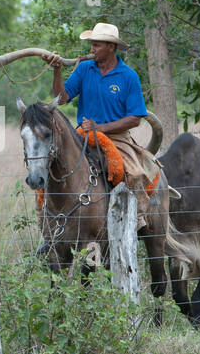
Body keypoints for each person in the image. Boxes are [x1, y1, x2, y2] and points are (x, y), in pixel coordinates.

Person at [41, 22, 160, 225]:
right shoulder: (85, 69)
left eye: (96, 45)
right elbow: (61, 98)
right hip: (83, 136)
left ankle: (137, 218)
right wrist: (57, 71)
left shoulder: (128, 76)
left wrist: (100, 128)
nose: (92, 49)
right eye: (92, 44)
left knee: (135, 173)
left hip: (117, 139)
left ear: (111, 47)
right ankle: (49, 224)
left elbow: (135, 118)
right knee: (48, 167)